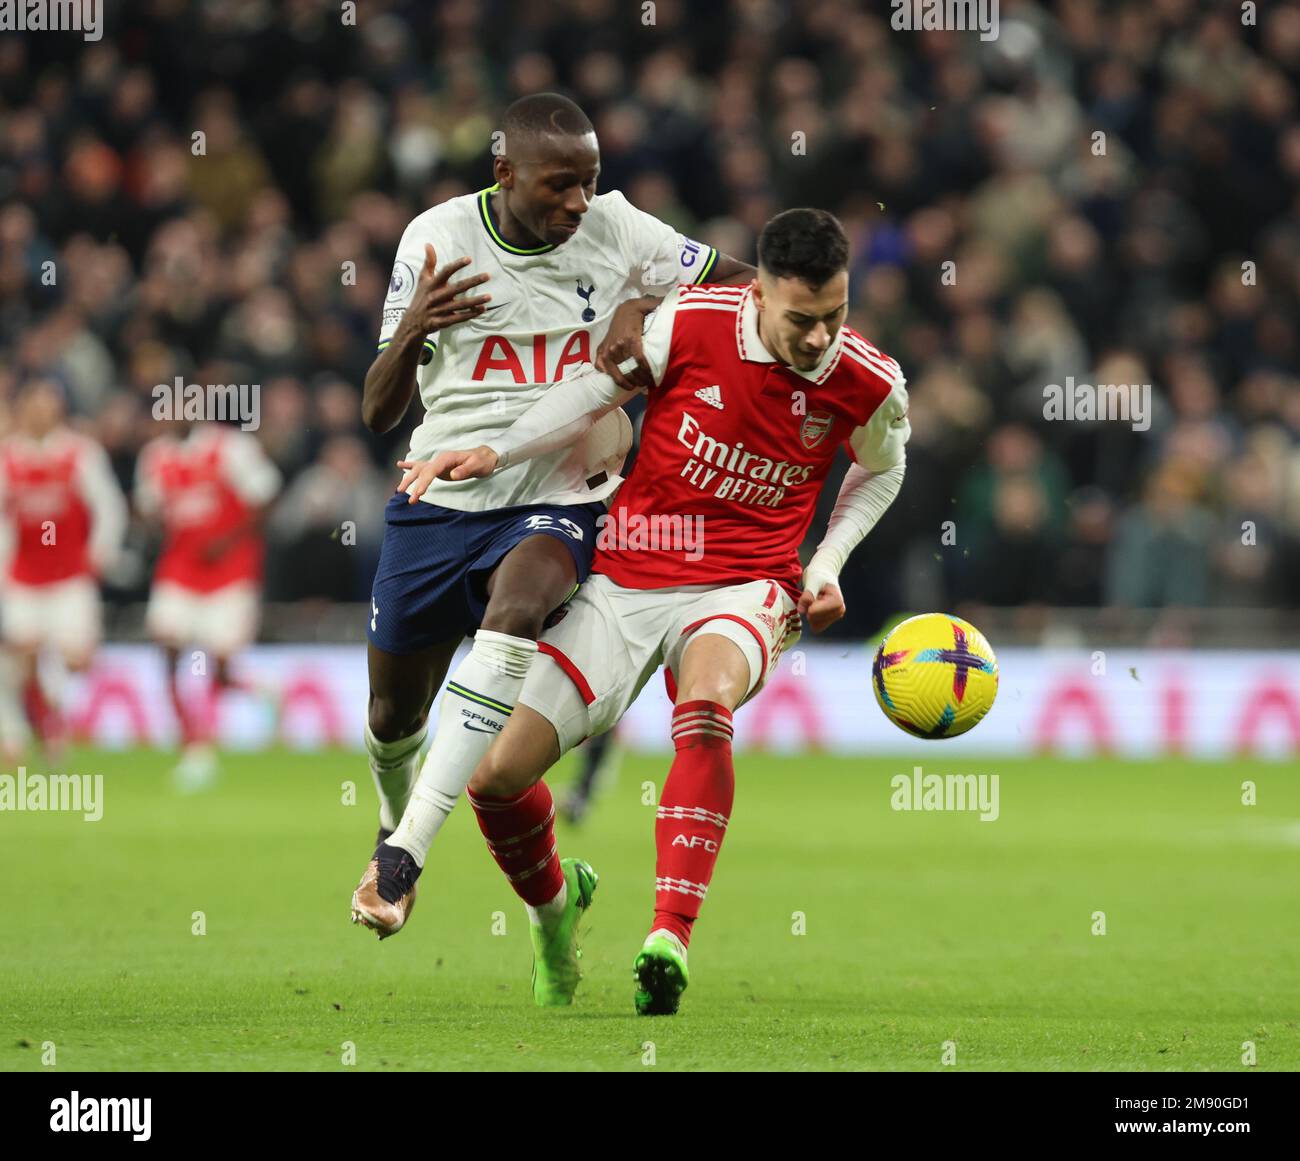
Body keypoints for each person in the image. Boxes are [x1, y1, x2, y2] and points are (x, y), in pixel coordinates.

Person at [388, 209, 910, 1011]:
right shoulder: (692, 325)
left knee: (705, 704)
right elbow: (592, 393)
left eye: (834, 316)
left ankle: (669, 934)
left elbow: (882, 468)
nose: (818, 339)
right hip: (627, 575)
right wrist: (495, 452)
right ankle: (559, 910)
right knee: (496, 776)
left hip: (747, 582)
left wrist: (827, 560)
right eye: (801, 320)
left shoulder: (868, 379)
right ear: (760, 294)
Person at [350, 92, 753, 935]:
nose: (578, 202)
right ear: (504, 175)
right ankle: (395, 819)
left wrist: (652, 310)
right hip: (443, 494)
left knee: (521, 602)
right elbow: (377, 412)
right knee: (392, 718)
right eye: (558, 186)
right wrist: (412, 327)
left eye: (590, 182)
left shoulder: (619, 229)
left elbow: (745, 290)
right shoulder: (438, 238)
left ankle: (406, 852)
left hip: (562, 493)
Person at [135, 419, 282, 789]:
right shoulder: (155, 456)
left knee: (215, 665)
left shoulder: (230, 448)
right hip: (179, 571)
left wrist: (226, 539)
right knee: (168, 649)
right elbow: (148, 507)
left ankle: (263, 692)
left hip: (230, 572)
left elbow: (265, 499)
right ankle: (195, 748)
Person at [0, 378, 127, 764]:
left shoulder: (79, 452)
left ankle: (50, 722)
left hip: (70, 575)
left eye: (48, 404)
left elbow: (108, 504)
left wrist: (101, 551)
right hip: (24, 576)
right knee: (20, 655)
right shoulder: (7, 456)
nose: (41, 411)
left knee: (74, 658)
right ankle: (17, 735)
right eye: (34, 404)